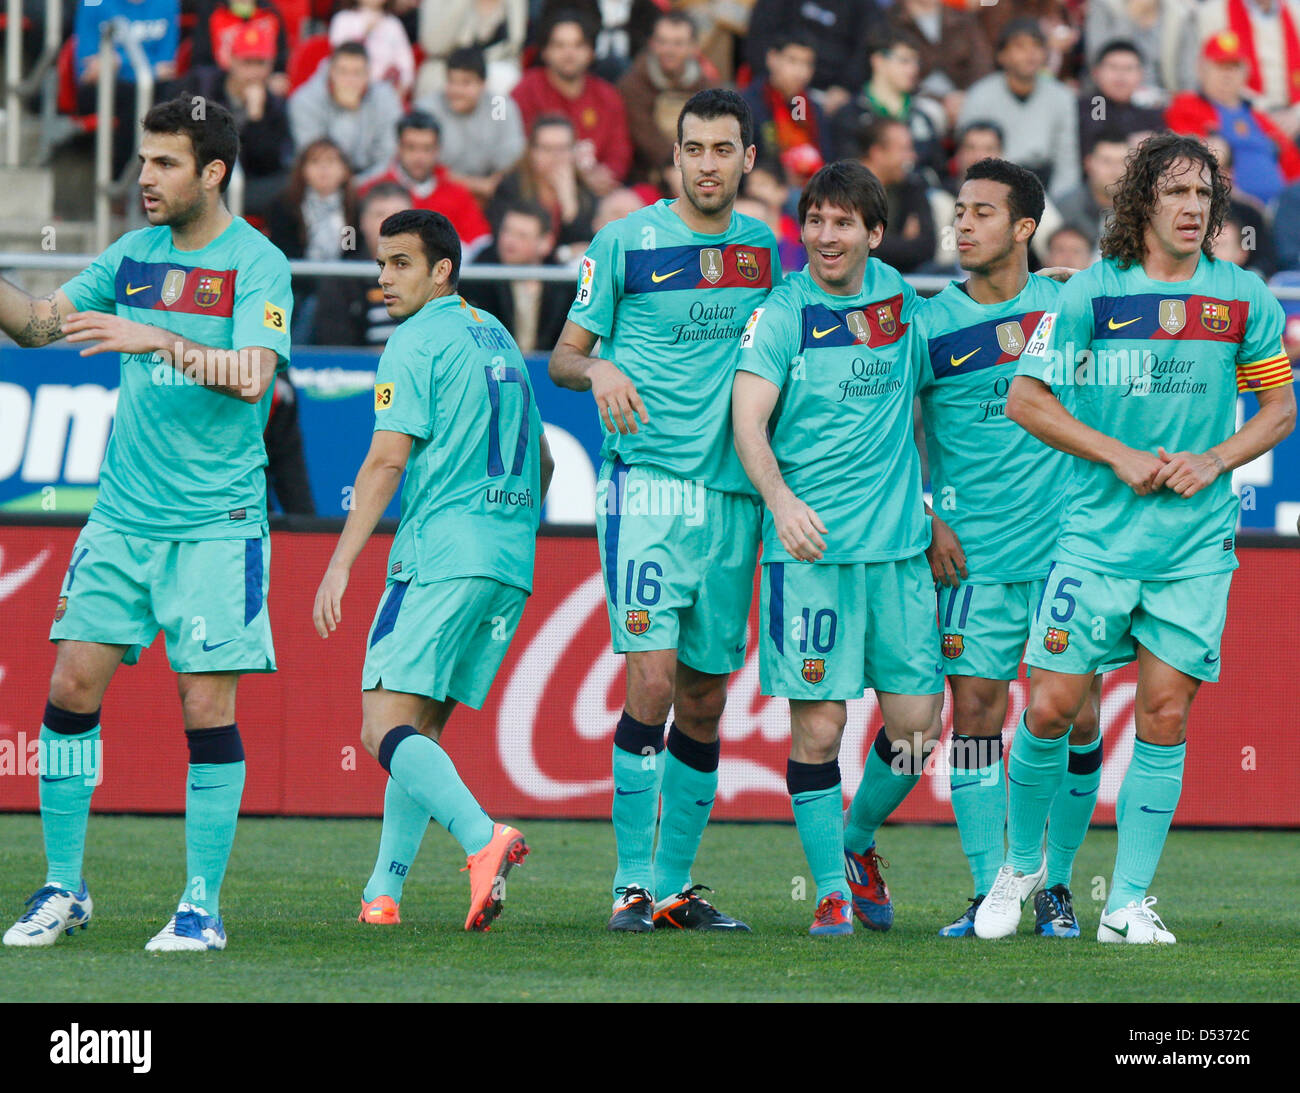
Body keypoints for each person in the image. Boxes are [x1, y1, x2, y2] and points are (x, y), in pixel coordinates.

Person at [982, 132, 1295, 943]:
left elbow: (1279, 407)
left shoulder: (1245, 300)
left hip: (1193, 546)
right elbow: (1026, 400)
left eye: (1203, 196)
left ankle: (1125, 904)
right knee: (1050, 708)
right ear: (1141, 203)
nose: (1192, 209)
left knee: (1164, 714)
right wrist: (1117, 453)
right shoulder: (1090, 293)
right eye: (1175, 194)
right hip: (1095, 539)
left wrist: (1217, 457)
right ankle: (1019, 871)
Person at [0, 97, 292, 952]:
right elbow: (37, 326)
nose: (143, 178)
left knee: (203, 707)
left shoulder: (257, 263)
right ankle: (63, 885)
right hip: (123, 517)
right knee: (68, 688)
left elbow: (251, 376)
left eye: (163, 163)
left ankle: (201, 905)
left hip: (217, 521)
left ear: (213, 172)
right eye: (141, 161)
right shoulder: (131, 255)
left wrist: (154, 338)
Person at [548, 89, 781, 932]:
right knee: (650, 677)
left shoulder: (765, 253)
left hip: (733, 495)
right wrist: (601, 371)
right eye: (695, 149)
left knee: (706, 693)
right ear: (674, 156)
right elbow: (564, 357)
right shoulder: (623, 242)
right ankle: (630, 882)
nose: (708, 163)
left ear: (748, 159)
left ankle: (677, 889)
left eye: (724, 149)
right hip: (647, 483)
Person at [312, 208, 554, 931]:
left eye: (401, 264)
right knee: (418, 732)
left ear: (442, 270)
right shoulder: (499, 337)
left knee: (380, 724)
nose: (383, 278)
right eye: (381, 262)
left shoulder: (415, 340)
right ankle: (381, 895)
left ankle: (485, 839)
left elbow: (387, 458)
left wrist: (340, 563)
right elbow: (541, 459)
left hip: (440, 555)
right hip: (509, 561)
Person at [730, 160, 943, 937]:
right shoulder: (784, 310)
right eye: (814, 220)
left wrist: (939, 508)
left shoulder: (902, 301)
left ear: (873, 233)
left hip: (897, 552)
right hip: (810, 553)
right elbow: (747, 419)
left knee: (919, 728)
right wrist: (780, 500)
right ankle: (828, 889)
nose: (825, 235)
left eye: (842, 222)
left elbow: (942, 399)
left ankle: (854, 842)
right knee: (818, 727)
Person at [912, 157, 1110, 939]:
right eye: (958, 210)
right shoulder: (928, 321)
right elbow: (888, 435)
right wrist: (926, 514)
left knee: (1077, 716)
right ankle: (990, 885)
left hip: (1069, 547)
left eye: (982, 212)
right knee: (976, 716)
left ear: (1024, 227)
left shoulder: (1067, 301)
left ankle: (1055, 884)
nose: (961, 223)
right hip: (975, 556)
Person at [1165, 30, 1300, 207]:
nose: (1227, 75)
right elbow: (1191, 161)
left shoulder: (1260, 117)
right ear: (1202, 70)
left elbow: (1293, 166)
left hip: (1281, 209)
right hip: (1229, 208)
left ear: (1246, 73)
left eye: (1234, 67)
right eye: (1220, 66)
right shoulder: (1185, 107)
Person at [512, 10, 631, 196]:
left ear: (591, 52)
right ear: (545, 51)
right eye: (559, 45)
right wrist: (578, 178)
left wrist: (608, 174)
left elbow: (620, 151)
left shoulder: (607, 95)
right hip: (540, 192)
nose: (569, 53)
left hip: (598, 193)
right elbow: (519, 150)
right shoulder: (526, 90)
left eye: (578, 45)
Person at [958, 19, 1080, 199]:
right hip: (993, 184)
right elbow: (966, 158)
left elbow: (1067, 160)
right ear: (1001, 55)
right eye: (1019, 47)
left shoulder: (1062, 97)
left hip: (1044, 185)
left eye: (1037, 46)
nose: (1030, 54)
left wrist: (1057, 202)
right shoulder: (979, 95)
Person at [185, 20, 293, 218]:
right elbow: (189, 133)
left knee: (288, 185)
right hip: (200, 175)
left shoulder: (274, 104)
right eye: (247, 62)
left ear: (270, 65)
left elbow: (267, 165)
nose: (254, 73)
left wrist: (256, 119)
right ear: (231, 61)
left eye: (260, 63)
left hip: (246, 183)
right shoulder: (202, 86)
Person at [359, 112, 491, 249]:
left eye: (427, 149)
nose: (419, 157)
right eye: (411, 147)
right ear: (399, 147)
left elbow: (480, 243)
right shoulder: (372, 191)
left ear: (437, 150)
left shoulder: (457, 194)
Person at [830, 27, 946, 177]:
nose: (913, 69)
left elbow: (940, 171)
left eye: (916, 62)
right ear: (878, 61)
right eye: (904, 60)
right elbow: (843, 174)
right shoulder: (850, 115)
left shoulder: (922, 118)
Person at [418, 46, 526, 204]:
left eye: (466, 83)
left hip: (493, 193)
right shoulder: (429, 109)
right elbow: (422, 163)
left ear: (483, 84)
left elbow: (512, 156)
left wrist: (491, 185)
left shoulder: (498, 105)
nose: (456, 90)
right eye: (452, 81)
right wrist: (477, 186)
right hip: (439, 191)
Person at [461, 201, 572, 353]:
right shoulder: (477, 279)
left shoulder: (563, 285)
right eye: (506, 231)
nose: (510, 241)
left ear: (545, 243)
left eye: (522, 235)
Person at [617, 10, 711, 187]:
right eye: (662, 42)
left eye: (678, 43)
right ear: (652, 44)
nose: (669, 50)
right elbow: (644, 136)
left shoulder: (707, 87)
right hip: (645, 179)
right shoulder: (632, 84)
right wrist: (675, 164)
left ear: (694, 47)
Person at [311, 182, 411, 347]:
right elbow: (335, 346)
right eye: (380, 214)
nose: (391, 223)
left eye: (400, 215)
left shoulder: (433, 276)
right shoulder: (342, 278)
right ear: (363, 222)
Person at [288, 41, 403, 178]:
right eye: (343, 72)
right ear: (331, 71)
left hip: (373, 181)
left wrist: (361, 186)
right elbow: (316, 159)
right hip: (322, 181)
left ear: (368, 74)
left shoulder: (386, 97)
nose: (349, 81)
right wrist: (348, 113)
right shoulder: (305, 101)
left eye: (357, 73)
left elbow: (389, 157)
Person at [490, 115, 598, 259]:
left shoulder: (586, 192)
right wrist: (562, 255)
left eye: (563, 148)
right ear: (532, 152)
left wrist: (569, 203)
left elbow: (586, 246)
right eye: (547, 149)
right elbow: (505, 244)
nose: (555, 156)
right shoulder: (510, 189)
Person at [742, 33, 831, 177]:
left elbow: (827, 158)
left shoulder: (812, 109)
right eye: (792, 61)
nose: (800, 72)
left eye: (807, 64)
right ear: (772, 58)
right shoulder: (749, 104)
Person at [857, 117, 935, 275]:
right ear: (877, 153)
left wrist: (873, 242)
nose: (912, 157)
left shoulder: (913, 186)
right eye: (905, 149)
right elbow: (852, 245)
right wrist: (904, 242)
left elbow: (926, 247)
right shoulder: (842, 187)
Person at [1077, 40, 1167, 157]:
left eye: (1128, 68)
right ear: (1096, 73)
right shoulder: (1093, 105)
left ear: (1141, 75)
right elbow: (1094, 135)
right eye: (1113, 67)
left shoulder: (1149, 113)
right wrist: (1131, 141)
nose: (1121, 75)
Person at [1054, 131, 1129, 250]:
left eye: (1123, 162)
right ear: (1088, 163)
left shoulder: (1140, 209)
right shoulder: (1064, 209)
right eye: (1107, 161)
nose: (1116, 171)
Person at [330, 0, 417, 99]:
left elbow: (406, 65)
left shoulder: (393, 24)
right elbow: (339, 56)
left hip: (384, 94)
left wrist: (399, 91)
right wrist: (365, 31)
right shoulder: (343, 19)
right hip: (348, 91)